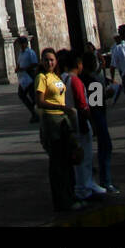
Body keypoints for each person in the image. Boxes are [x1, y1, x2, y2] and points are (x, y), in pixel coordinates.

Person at [35, 48, 77, 212]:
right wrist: (64, 108)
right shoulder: (42, 77)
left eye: (52, 59)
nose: (49, 62)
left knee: (66, 160)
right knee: (58, 162)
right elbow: (40, 102)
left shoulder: (56, 76)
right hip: (52, 122)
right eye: (46, 60)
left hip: (63, 121)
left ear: (56, 61)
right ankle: (62, 199)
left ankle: (70, 194)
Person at [61, 52, 106, 201]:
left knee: (77, 156)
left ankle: (88, 184)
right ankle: (88, 186)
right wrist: (92, 120)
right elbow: (85, 105)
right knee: (86, 156)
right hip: (81, 122)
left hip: (68, 122)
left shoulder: (62, 79)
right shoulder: (83, 81)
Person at [82, 48, 118, 194]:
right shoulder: (92, 80)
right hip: (97, 118)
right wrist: (107, 94)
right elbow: (96, 102)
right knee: (105, 147)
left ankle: (97, 179)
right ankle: (106, 181)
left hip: (92, 118)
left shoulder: (86, 78)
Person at [14, 36, 39, 123]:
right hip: (23, 78)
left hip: (30, 76)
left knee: (32, 96)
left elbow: (35, 63)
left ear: (25, 44)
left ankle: (36, 113)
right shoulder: (21, 53)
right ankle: (34, 112)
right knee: (22, 95)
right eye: (20, 44)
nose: (21, 46)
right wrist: (17, 68)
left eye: (22, 44)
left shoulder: (30, 52)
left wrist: (24, 68)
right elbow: (19, 63)